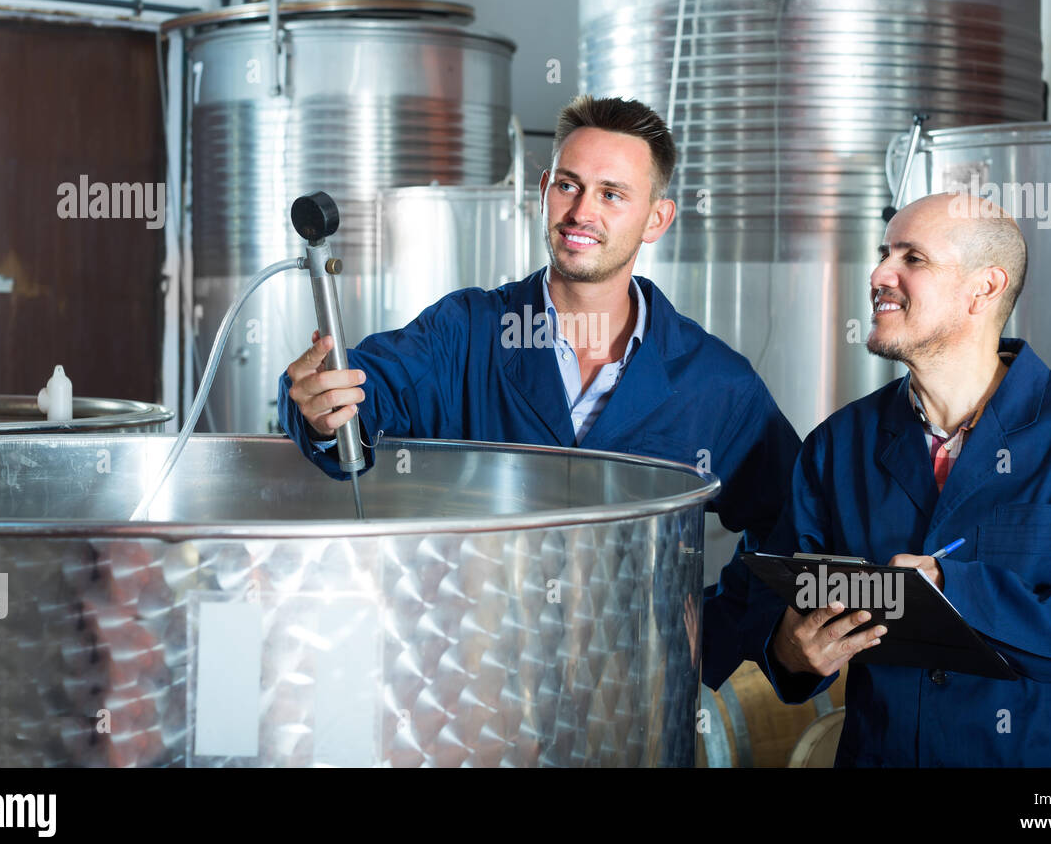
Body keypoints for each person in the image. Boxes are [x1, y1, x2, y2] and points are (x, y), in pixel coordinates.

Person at [277, 96, 803, 722]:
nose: (581, 212)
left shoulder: (714, 383)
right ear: (544, 188)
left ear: (656, 218)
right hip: (465, 691)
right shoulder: (467, 331)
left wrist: (705, 635)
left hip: (633, 702)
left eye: (613, 194)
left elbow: (794, 531)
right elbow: (366, 397)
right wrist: (318, 408)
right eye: (569, 185)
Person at [758, 192, 1051, 766]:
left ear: (984, 288)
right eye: (885, 253)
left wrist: (958, 591)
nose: (879, 274)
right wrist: (790, 650)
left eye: (912, 258)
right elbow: (788, 600)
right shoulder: (840, 442)